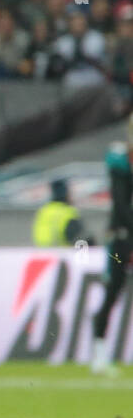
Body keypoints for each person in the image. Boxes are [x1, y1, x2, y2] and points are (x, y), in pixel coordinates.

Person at [92, 128, 132, 375]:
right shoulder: (120, 164)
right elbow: (120, 205)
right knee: (112, 292)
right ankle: (99, 353)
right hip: (120, 239)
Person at [32, 178, 86, 246]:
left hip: (42, 253)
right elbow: (78, 237)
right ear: (66, 193)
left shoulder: (44, 210)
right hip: (62, 253)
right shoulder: (68, 212)